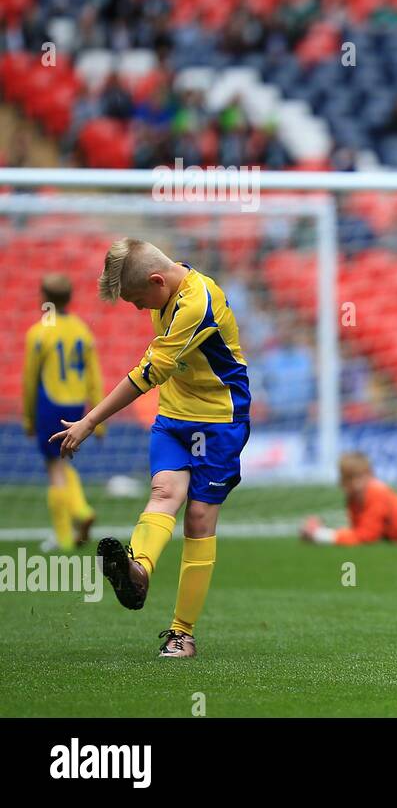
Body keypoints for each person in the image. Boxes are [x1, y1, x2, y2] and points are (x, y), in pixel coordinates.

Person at [52, 240, 252, 659]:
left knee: (198, 517)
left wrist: (91, 420)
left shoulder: (198, 304)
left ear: (158, 282)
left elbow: (147, 374)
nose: (140, 310)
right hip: (174, 417)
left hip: (219, 420)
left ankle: (183, 632)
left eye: (139, 301)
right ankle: (137, 571)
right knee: (163, 493)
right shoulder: (167, 283)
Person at [22, 274, 103, 552]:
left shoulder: (39, 332)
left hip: (50, 404)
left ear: (43, 298)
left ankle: (68, 529)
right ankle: (79, 513)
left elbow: (30, 380)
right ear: (70, 298)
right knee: (63, 463)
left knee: (54, 468)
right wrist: (98, 419)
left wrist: (28, 418)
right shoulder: (82, 330)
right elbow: (94, 376)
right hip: (76, 406)